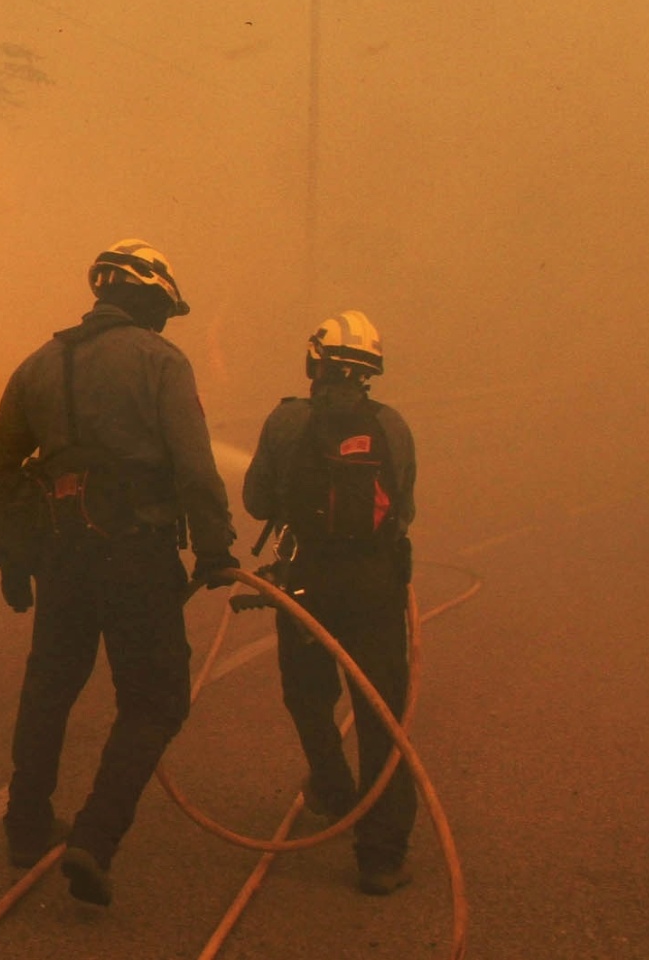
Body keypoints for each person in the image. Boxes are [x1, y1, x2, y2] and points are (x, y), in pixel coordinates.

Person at [0, 239, 238, 906]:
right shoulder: (160, 361)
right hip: (137, 553)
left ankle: (27, 825)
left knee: (50, 689)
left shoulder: (37, 364)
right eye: (161, 309)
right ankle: (94, 839)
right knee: (154, 700)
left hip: (63, 556)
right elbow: (194, 465)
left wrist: (15, 553)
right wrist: (214, 549)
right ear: (148, 297)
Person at [242, 310, 418, 896]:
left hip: (306, 582)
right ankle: (381, 855)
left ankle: (333, 787)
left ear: (315, 360)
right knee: (381, 711)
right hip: (375, 586)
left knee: (308, 692)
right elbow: (404, 510)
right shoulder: (392, 426)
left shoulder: (287, 419)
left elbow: (259, 500)